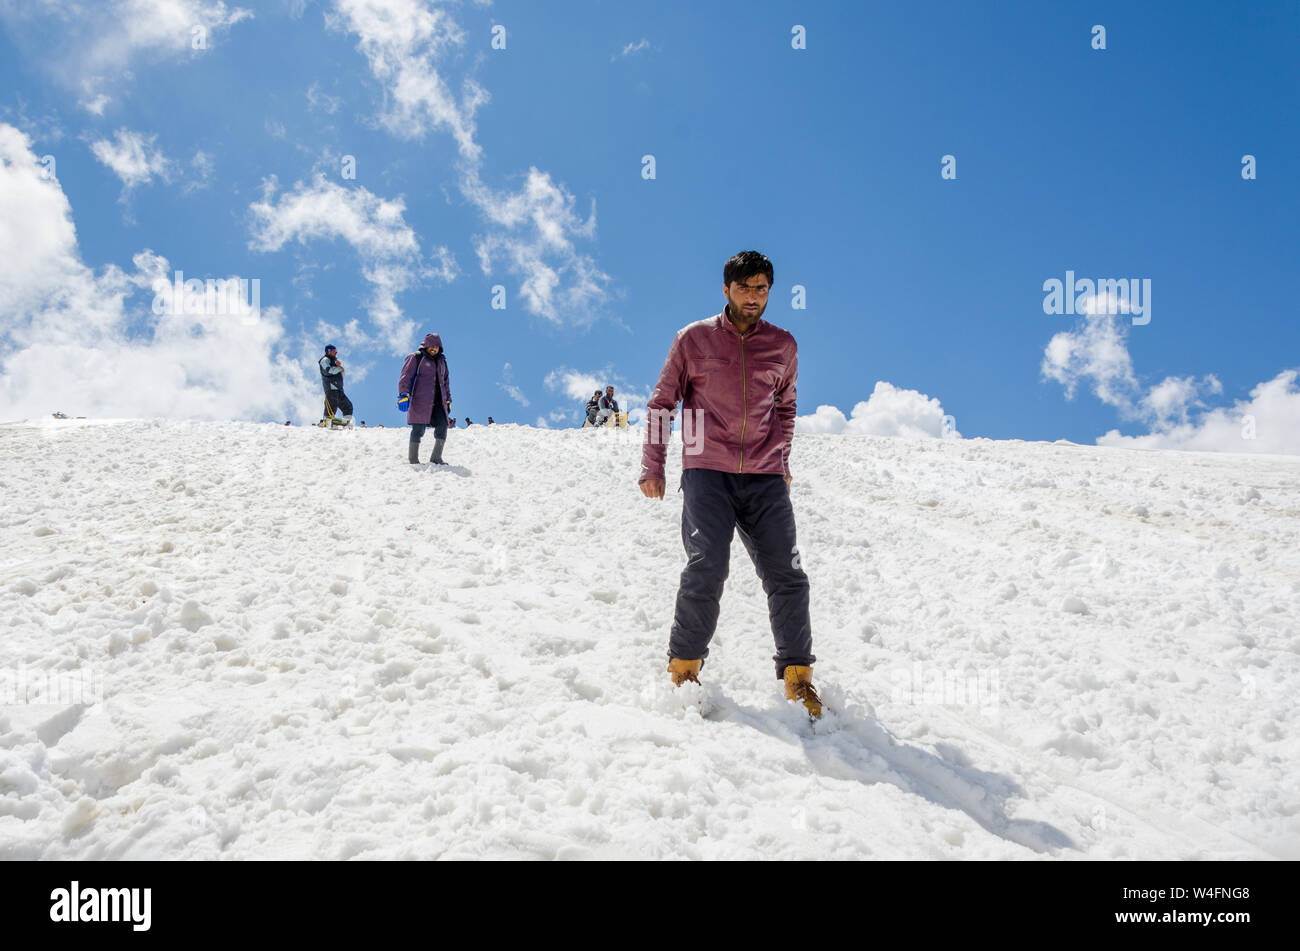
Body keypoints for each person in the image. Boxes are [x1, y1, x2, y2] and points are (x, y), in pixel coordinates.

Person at [638, 250, 821, 718]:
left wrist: (781, 459)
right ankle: (683, 669)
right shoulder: (693, 339)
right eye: (745, 288)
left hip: (764, 477)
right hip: (707, 471)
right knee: (706, 567)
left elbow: (785, 409)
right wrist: (653, 465)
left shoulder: (783, 346)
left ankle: (798, 678)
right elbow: (662, 403)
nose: (754, 297)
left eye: (762, 288)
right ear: (726, 290)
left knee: (788, 575)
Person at [398, 333, 452, 465]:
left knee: (443, 425)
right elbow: (406, 377)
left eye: (437, 346)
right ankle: (413, 459)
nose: (434, 348)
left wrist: (448, 400)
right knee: (418, 429)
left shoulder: (442, 362)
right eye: (431, 346)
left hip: (439, 402)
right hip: (420, 400)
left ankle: (436, 458)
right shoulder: (416, 358)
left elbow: (446, 382)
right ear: (426, 346)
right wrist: (403, 395)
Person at [319, 345, 353, 426]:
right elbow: (328, 371)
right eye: (335, 351)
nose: (336, 352)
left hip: (339, 389)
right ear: (329, 351)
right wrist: (339, 368)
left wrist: (340, 367)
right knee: (331, 408)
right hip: (331, 388)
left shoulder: (335, 361)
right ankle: (326, 423)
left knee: (348, 407)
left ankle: (344, 423)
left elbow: (341, 375)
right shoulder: (325, 360)